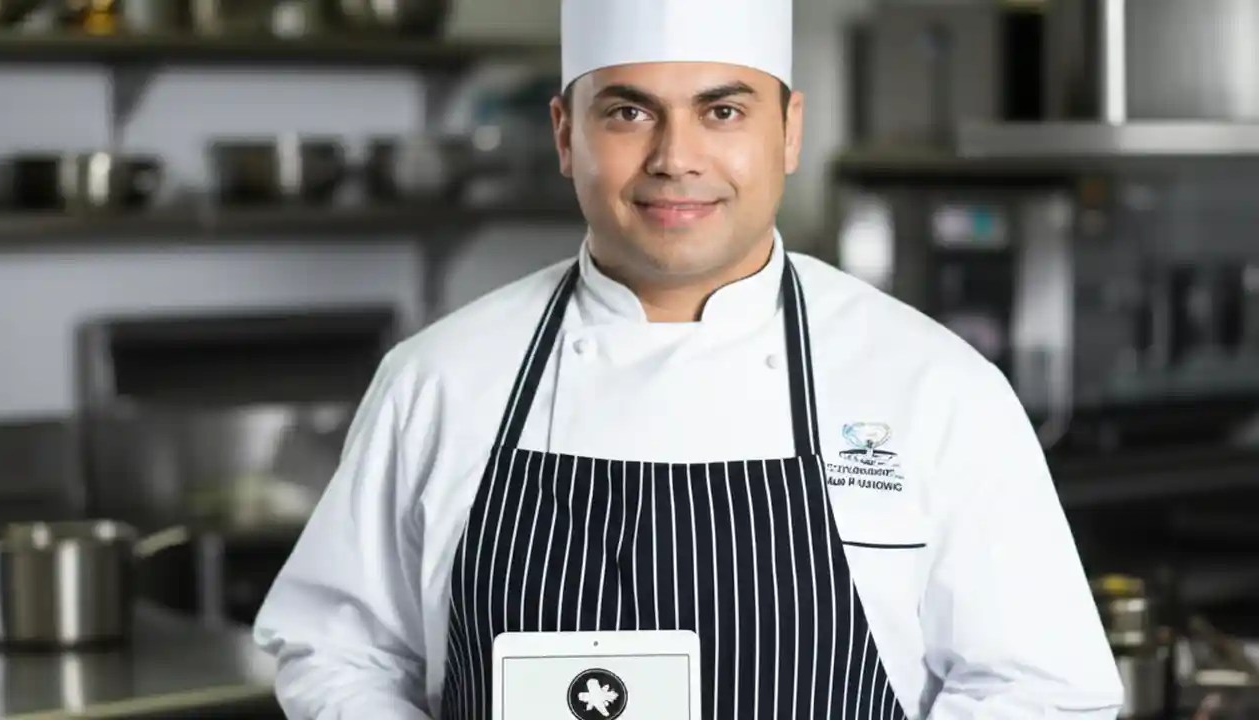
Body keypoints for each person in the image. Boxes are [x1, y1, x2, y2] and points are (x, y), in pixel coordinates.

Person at [252, 0, 1125, 717]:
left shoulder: (936, 389)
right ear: (565, 134)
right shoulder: (438, 381)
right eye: (628, 112)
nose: (675, 159)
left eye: (723, 111)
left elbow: (1043, 691)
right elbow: (338, 651)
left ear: (789, 131)